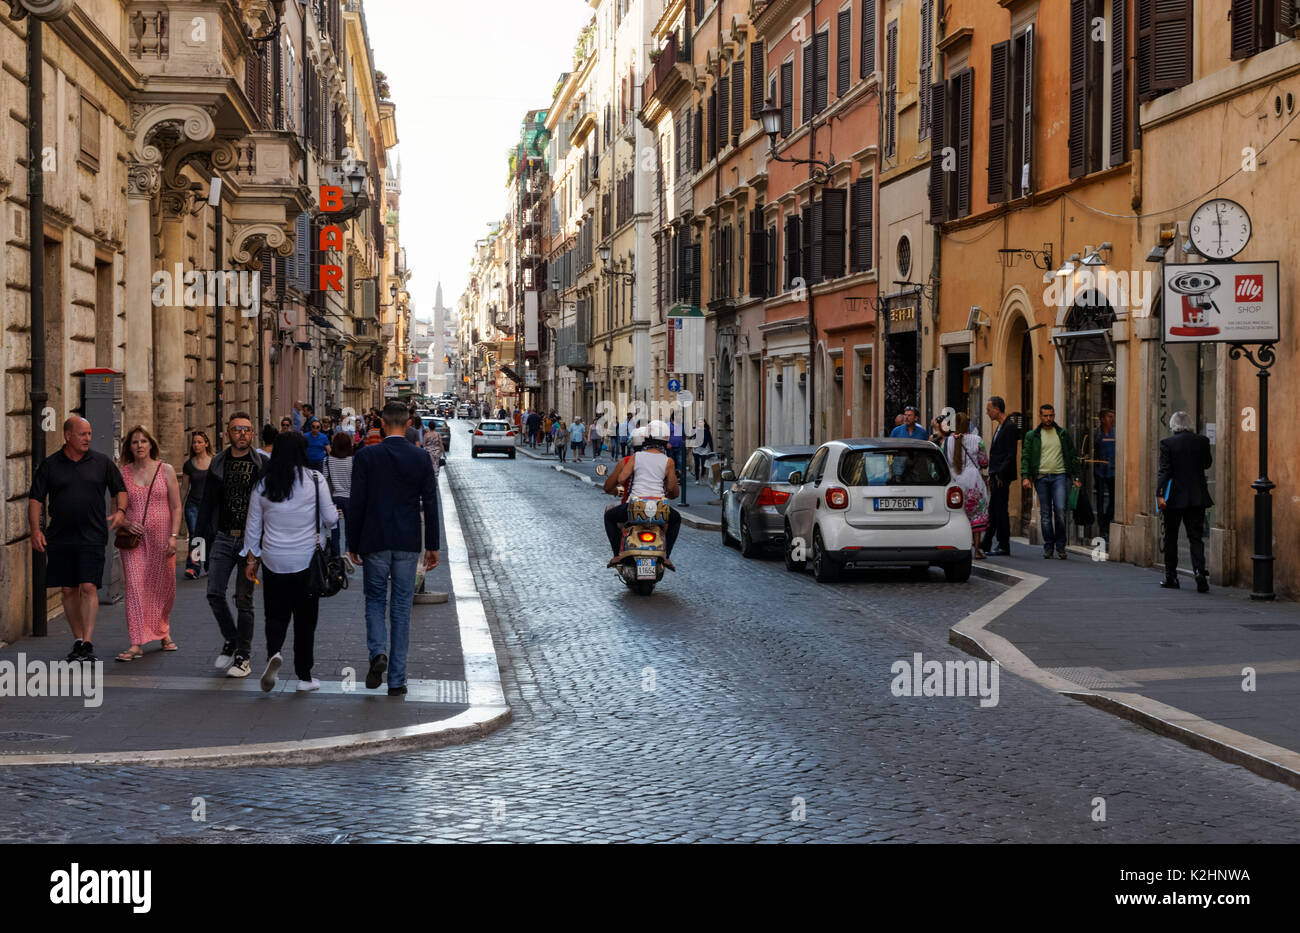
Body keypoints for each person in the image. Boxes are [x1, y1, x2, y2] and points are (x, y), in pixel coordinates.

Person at [346, 401, 441, 697]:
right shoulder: (420, 457)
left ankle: (377, 653)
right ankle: (397, 680)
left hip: (374, 539)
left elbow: (356, 502)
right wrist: (433, 545)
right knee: (401, 608)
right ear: (409, 423)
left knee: (374, 600)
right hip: (407, 541)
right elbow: (431, 501)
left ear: (383, 424)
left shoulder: (366, 456)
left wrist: (352, 542)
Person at [240, 432, 338, 693]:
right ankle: (305, 676)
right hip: (307, 561)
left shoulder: (263, 484)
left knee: (275, 613)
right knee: (306, 620)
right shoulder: (315, 480)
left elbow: (252, 526)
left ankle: (274, 653)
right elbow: (330, 518)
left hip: (273, 559)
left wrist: (251, 560)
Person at [27, 416, 128, 663]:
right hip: (60, 536)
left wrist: (120, 512)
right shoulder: (50, 465)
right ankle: (78, 639)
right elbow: (35, 499)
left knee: (88, 586)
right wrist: (35, 530)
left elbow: (119, 488)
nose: (88, 438)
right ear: (68, 436)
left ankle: (88, 641)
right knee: (68, 589)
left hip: (92, 535)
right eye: (82, 434)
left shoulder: (101, 462)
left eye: (90, 433)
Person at [196, 411, 270, 677]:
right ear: (228, 433)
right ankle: (231, 637)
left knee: (244, 599)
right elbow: (206, 504)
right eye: (237, 429)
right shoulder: (218, 463)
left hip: (250, 543)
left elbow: (270, 504)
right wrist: (199, 538)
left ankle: (243, 657)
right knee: (214, 592)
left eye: (247, 429)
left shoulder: (261, 463)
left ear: (253, 434)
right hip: (224, 536)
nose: (242, 434)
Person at [114, 426, 182, 661]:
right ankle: (136, 642)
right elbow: (116, 512)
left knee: (163, 587)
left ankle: (163, 631)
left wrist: (174, 536)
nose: (139, 445)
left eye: (143, 441)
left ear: (151, 444)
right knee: (134, 585)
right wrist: (126, 523)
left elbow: (176, 506)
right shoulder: (122, 474)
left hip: (162, 538)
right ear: (129, 447)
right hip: (134, 542)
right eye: (134, 442)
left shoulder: (166, 470)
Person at [604, 422, 682, 571]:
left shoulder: (636, 456)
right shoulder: (668, 461)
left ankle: (617, 555)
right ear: (665, 440)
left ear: (647, 438)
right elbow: (672, 488)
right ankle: (666, 557)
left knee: (609, 516)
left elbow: (621, 479)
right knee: (676, 519)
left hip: (636, 506)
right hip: (659, 508)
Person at [1157, 411, 1213, 592]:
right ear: (1189, 424)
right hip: (1197, 497)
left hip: (1174, 498)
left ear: (1173, 425)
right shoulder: (1202, 441)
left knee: (1171, 537)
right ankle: (1199, 571)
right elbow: (1207, 464)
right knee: (1196, 537)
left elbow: (1164, 471)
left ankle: (1171, 576)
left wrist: (1159, 494)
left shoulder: (1167, 443)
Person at [1021, 403, 1081, 560]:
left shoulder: (1062, 433)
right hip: (1041, 477)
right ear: (1040, 417)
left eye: (1051, 415)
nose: (1048, 419)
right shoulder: (1032, 435)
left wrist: (1076, 477)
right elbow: (1026, 457)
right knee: (1046, 514)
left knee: (1060, 511)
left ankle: (1061, 546)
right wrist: (1025, 476)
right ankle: (1048, 546)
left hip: (1059, 476)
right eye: (1046, 416)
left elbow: (1071, 456)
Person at [942, 413, 990, 561]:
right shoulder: (977, 440)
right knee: (977, 516)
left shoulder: (948, 441)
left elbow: (944, 461)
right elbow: (984, 462)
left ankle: (959, 548)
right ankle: (976, 550)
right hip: (973, 480)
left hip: (956, 480)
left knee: (958, 515)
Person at [979, 397, 1020, 557]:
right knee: (994, 509)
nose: (987, 412)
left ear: (997, 409)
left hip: (1002, 476)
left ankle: (1003, 544)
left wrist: (1000, 474)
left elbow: (1010, 454)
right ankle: (987, 542)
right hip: (996, 474)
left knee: (1000, 510)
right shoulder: (1001, 426)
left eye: (989, 409)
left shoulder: (1009, 427)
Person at [182, 430, 213, 579]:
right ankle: (193, 567)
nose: (196, 445)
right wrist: (178, 506)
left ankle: (209, 565)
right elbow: (184, 487)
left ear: (206, 444)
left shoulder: (214, 462)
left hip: (210, 505)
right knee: (195, 535)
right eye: (194, 442)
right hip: (193, 505)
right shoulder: (188, 465)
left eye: (199, 442)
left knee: (210, 535)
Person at [325, 431, 355, 555]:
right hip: (349, 497)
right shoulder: (353, 460)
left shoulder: (327, 460)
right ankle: (348, 551)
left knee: (334, 529)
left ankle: (336, 554)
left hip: (335, 497)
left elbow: (325, 479)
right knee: (349, 528)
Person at [1093, 408, 1117, 543]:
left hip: (1113, 471)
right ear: (1102, 419)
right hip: (1100, 471)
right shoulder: (1097, 434)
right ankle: (1102, 528)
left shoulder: (1116, 433)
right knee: (1100, 501)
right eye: (1109, 416)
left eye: (1113, 416)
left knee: (1113, 500)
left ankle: (1107, 522)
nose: (1112, 419)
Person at [692, 419, 714, 483]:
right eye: (699, 422)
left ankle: (702, 475)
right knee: (697, 464)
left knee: (703, 463)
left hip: (704, 450)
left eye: (701, 422)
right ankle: (697, 479)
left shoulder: (707, 431)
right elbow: (691, 437)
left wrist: (712, 450)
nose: (700, 423)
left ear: (704, 423)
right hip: (696, 449)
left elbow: (710, 441)